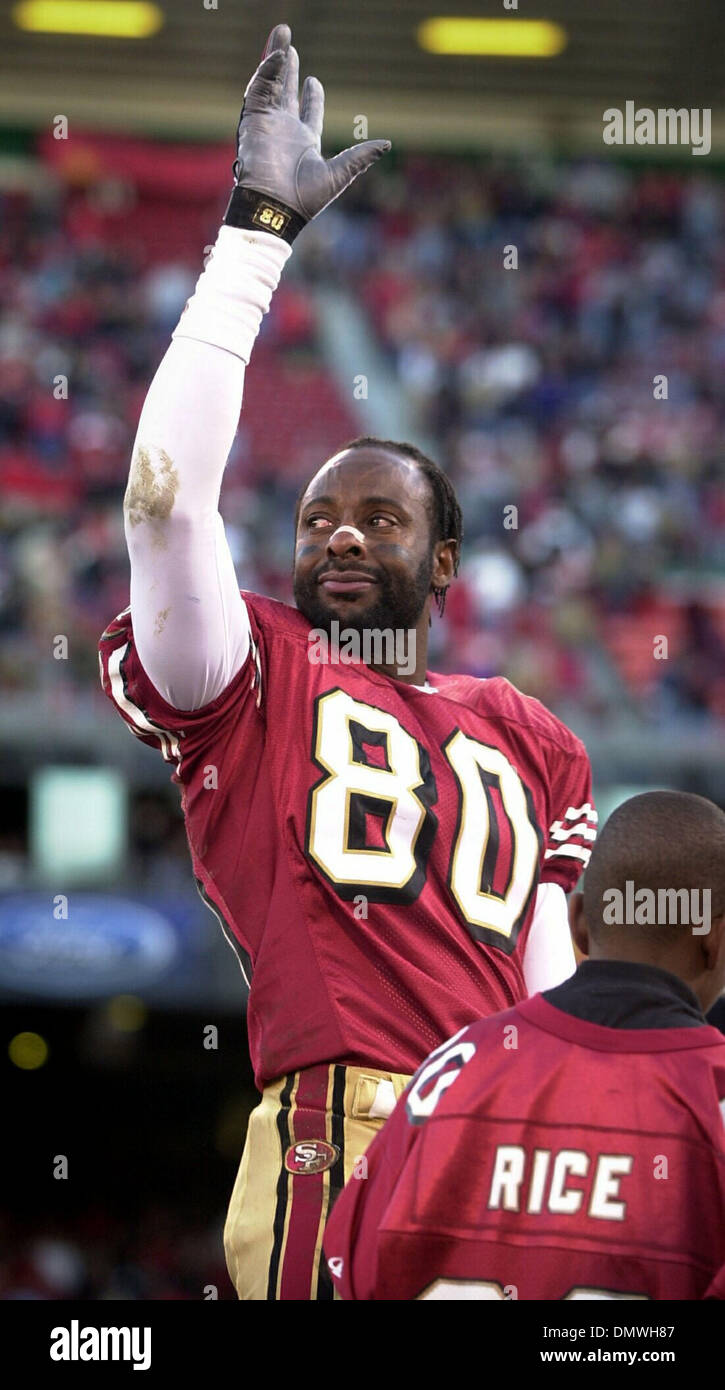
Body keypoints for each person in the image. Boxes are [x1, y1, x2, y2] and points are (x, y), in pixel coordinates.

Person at [98, 24, 596, 1301]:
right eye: (317, 516)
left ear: (444, 567)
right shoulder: (251, 673)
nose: (338, 535)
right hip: (347, 1132)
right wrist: (256, 237)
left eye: (379, 518)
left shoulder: (533, 735)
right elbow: (162, 502)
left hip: (508, 1150)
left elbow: (554, 989)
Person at [324, 790, 725, 1300]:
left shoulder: (453, 1070)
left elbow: (355, 1272)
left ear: (577, 922)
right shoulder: (713, 1097)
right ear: (715, 941)